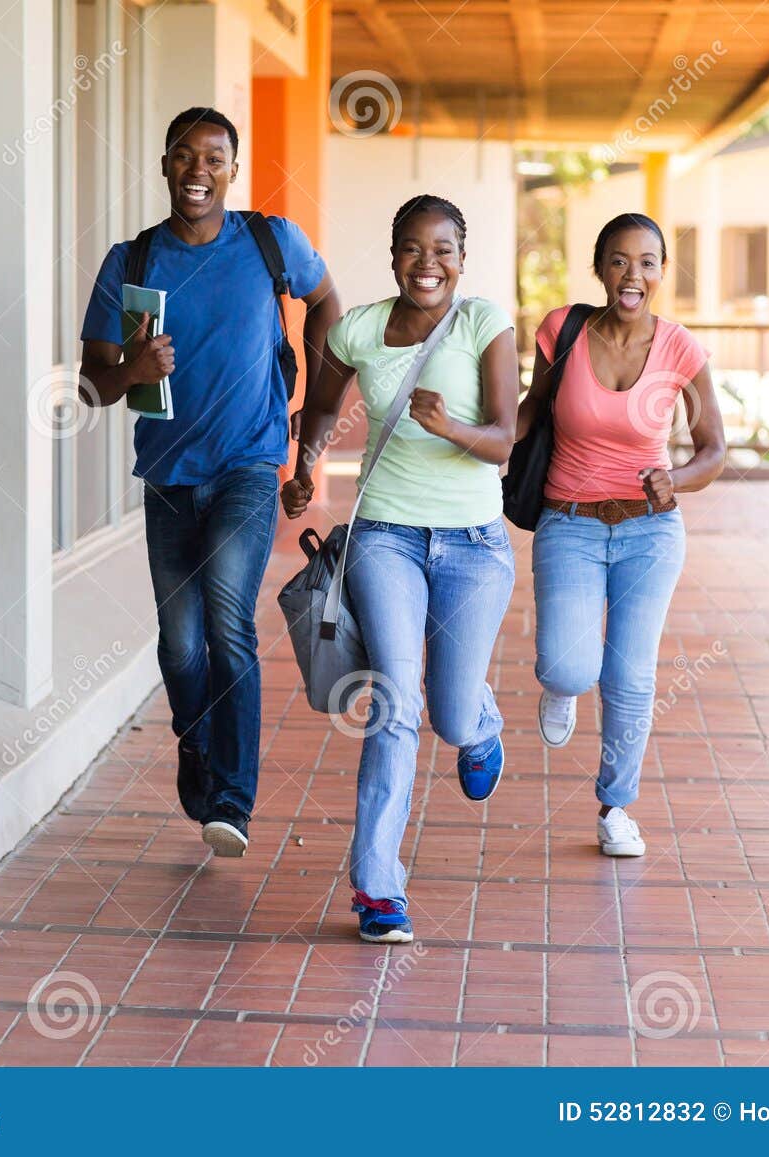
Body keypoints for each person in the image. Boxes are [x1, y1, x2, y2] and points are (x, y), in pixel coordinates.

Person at [78, 107, 340, 859]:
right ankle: (195, 740)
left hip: (248, 466)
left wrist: (309, 418)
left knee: (228, 618)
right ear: (165, 166)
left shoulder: (269, 243)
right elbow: (93, 384)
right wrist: (133, 368)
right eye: (185, 157)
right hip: (167, 475)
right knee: (180, 643)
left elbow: (326, 302)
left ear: (234, 168)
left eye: (215, 158)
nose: (199, 171)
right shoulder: (130, 263)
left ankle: (233, 796)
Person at [283, 194, 518, 944]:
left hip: (474, 544)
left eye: (443, 248)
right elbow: (319, 408)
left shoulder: (485, 322)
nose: (429, 263)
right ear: (392, 256)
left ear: (463, 255)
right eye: (413, 249)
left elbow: (506, 439)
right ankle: (377, 885)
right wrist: (305, 468)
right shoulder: (357, 329)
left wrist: (449, 425)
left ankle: (478, 725)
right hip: (385, 537)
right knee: (394, 698)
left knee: (447, 712)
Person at [520, 213, 725, 858]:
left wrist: (681, 478)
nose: (632, 275)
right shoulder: (563, 330)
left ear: (662, 271)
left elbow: (714, 448)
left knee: (631, 678)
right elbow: (531, 409)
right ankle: (560, 686)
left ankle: (616, 807)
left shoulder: (681, 349)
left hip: (650, 531)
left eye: (647, 262)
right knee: (567, 664)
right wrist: (482, 444)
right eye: (618, 261)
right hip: (569, 522)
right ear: (599, 267)